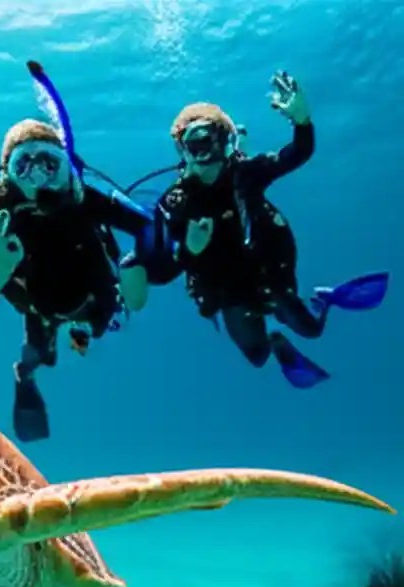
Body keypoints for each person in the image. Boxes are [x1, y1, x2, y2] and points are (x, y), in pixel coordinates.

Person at [120, 70, 388, 388]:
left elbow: (298, 153)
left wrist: (302, 121)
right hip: (226, 289)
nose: (203, 153)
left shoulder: (246, 173)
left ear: (225, 141)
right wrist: (191, 248)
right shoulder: (175, 203)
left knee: (313, 330)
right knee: (257, 356)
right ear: (182, 151)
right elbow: (166, 269)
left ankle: (324, 299)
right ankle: (275, 342)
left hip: (266, 273)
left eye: (209, 140)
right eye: (194, 145)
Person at [0, 119, 152, 442]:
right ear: (8, 176)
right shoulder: (0, 223)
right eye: (24, 165)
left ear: (66, 167)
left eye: (49, 164)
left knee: (105, 328)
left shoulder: (86, 200)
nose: (38, 177)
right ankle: (26, 378)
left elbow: (147, 226)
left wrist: (143, 262)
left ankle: (82, 338)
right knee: (38, 356)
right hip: (40, 308)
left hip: (94, 300)